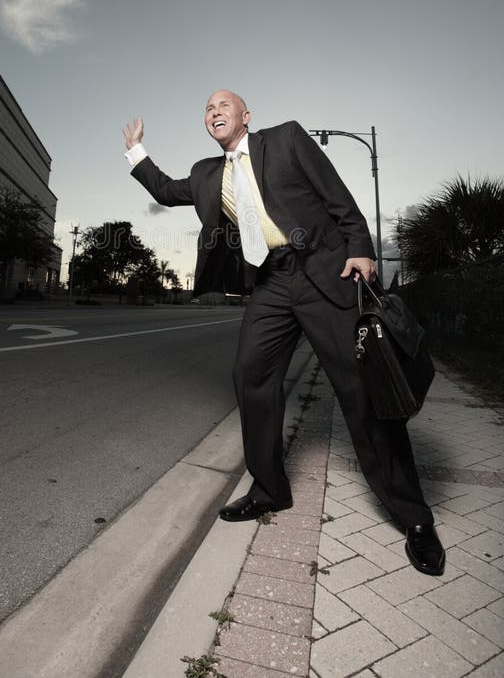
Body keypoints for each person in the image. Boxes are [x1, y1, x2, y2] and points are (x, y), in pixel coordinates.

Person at [123, 90, 445, 576]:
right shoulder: (206, 174)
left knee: (361, 392)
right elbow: (166, 190)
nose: (214, 111)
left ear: (245, 116)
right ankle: (270, 489)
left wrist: (360, 246)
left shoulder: (287, 139)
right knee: (249, 374)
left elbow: (336, 194)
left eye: (223, 104)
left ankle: (414, 518)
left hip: (323, 274)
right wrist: (136, 153)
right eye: (207, 108)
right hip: (270, 284)